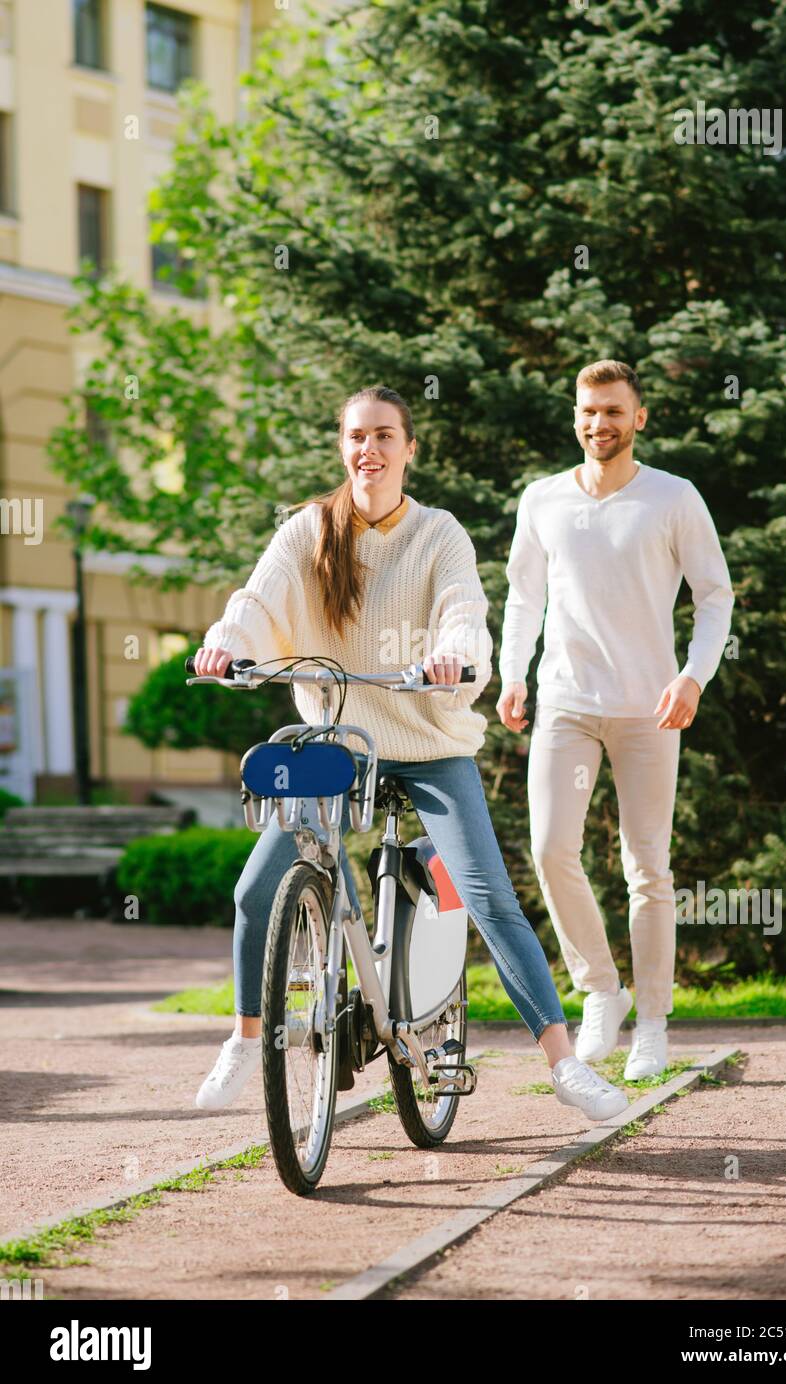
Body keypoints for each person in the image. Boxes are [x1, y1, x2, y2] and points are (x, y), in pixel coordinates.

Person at [192, 384, 629, 1121]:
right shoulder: (307, 532)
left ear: (409, 448)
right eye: (357, 436)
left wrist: (455, 655)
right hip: (335, 741)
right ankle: (245, 1038)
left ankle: (563, 1062)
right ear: (342, 445)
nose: (370, 449)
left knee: (488, 894)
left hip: (427, 745)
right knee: (254, 889)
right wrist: (226, 644)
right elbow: (258, 601)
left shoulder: (439, 534)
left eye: (386, 435)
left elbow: (464, 607)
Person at [497, 360, 735, 1080]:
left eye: (611, 411)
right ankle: (601, 990)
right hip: (567, 704)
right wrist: (513, 674)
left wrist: (694, 676)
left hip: (648, 711)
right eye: (586, 411)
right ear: (575, 416)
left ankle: (654, 1026)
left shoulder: (674, 498)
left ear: (639, 418)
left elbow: (714, 595)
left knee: (648, 868)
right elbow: (522, 598)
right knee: (549, 848)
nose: (597, 423)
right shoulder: (542, 500)